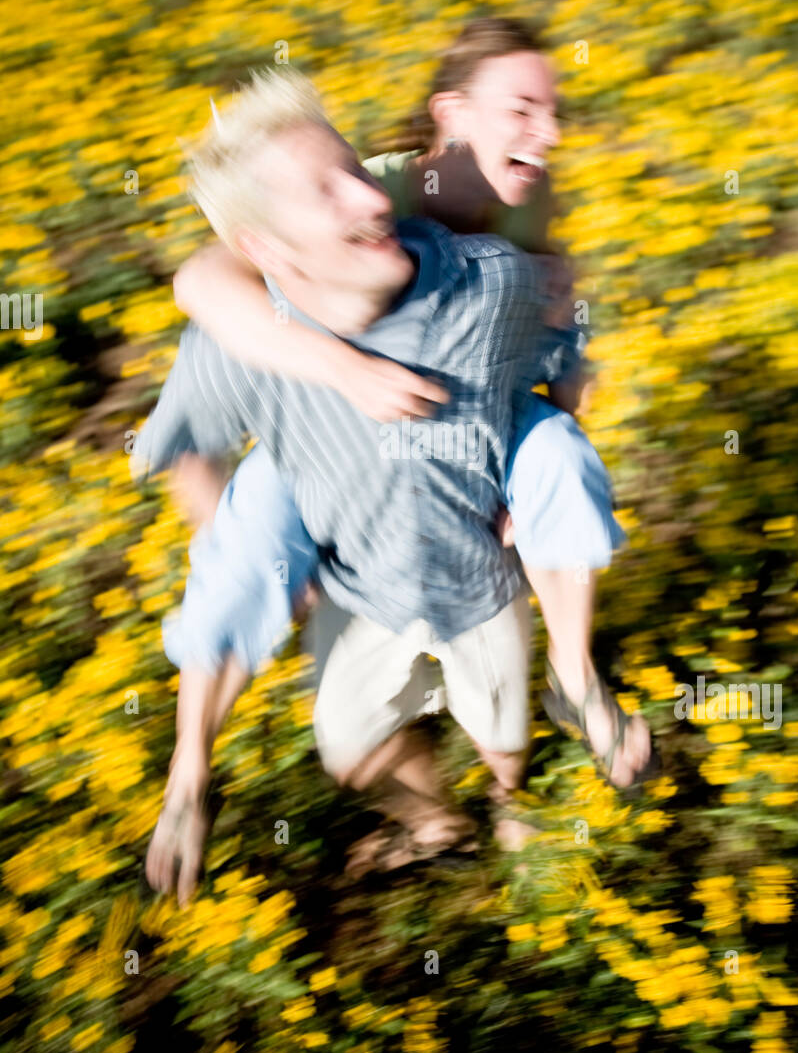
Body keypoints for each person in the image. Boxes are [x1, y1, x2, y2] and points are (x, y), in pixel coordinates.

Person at [134, 67, 616, 900]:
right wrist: (267, 559)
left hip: (478, 586)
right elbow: (188, 449)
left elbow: (564, 353)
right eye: (327, 192)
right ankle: (434, 818)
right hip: (356, 593)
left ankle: (510, 795)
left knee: (502, 740)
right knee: (355, 756)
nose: (369, 199)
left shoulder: (490, 282)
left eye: (358, 169)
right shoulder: (232, 344)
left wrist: (530, 458)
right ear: (265, 251)